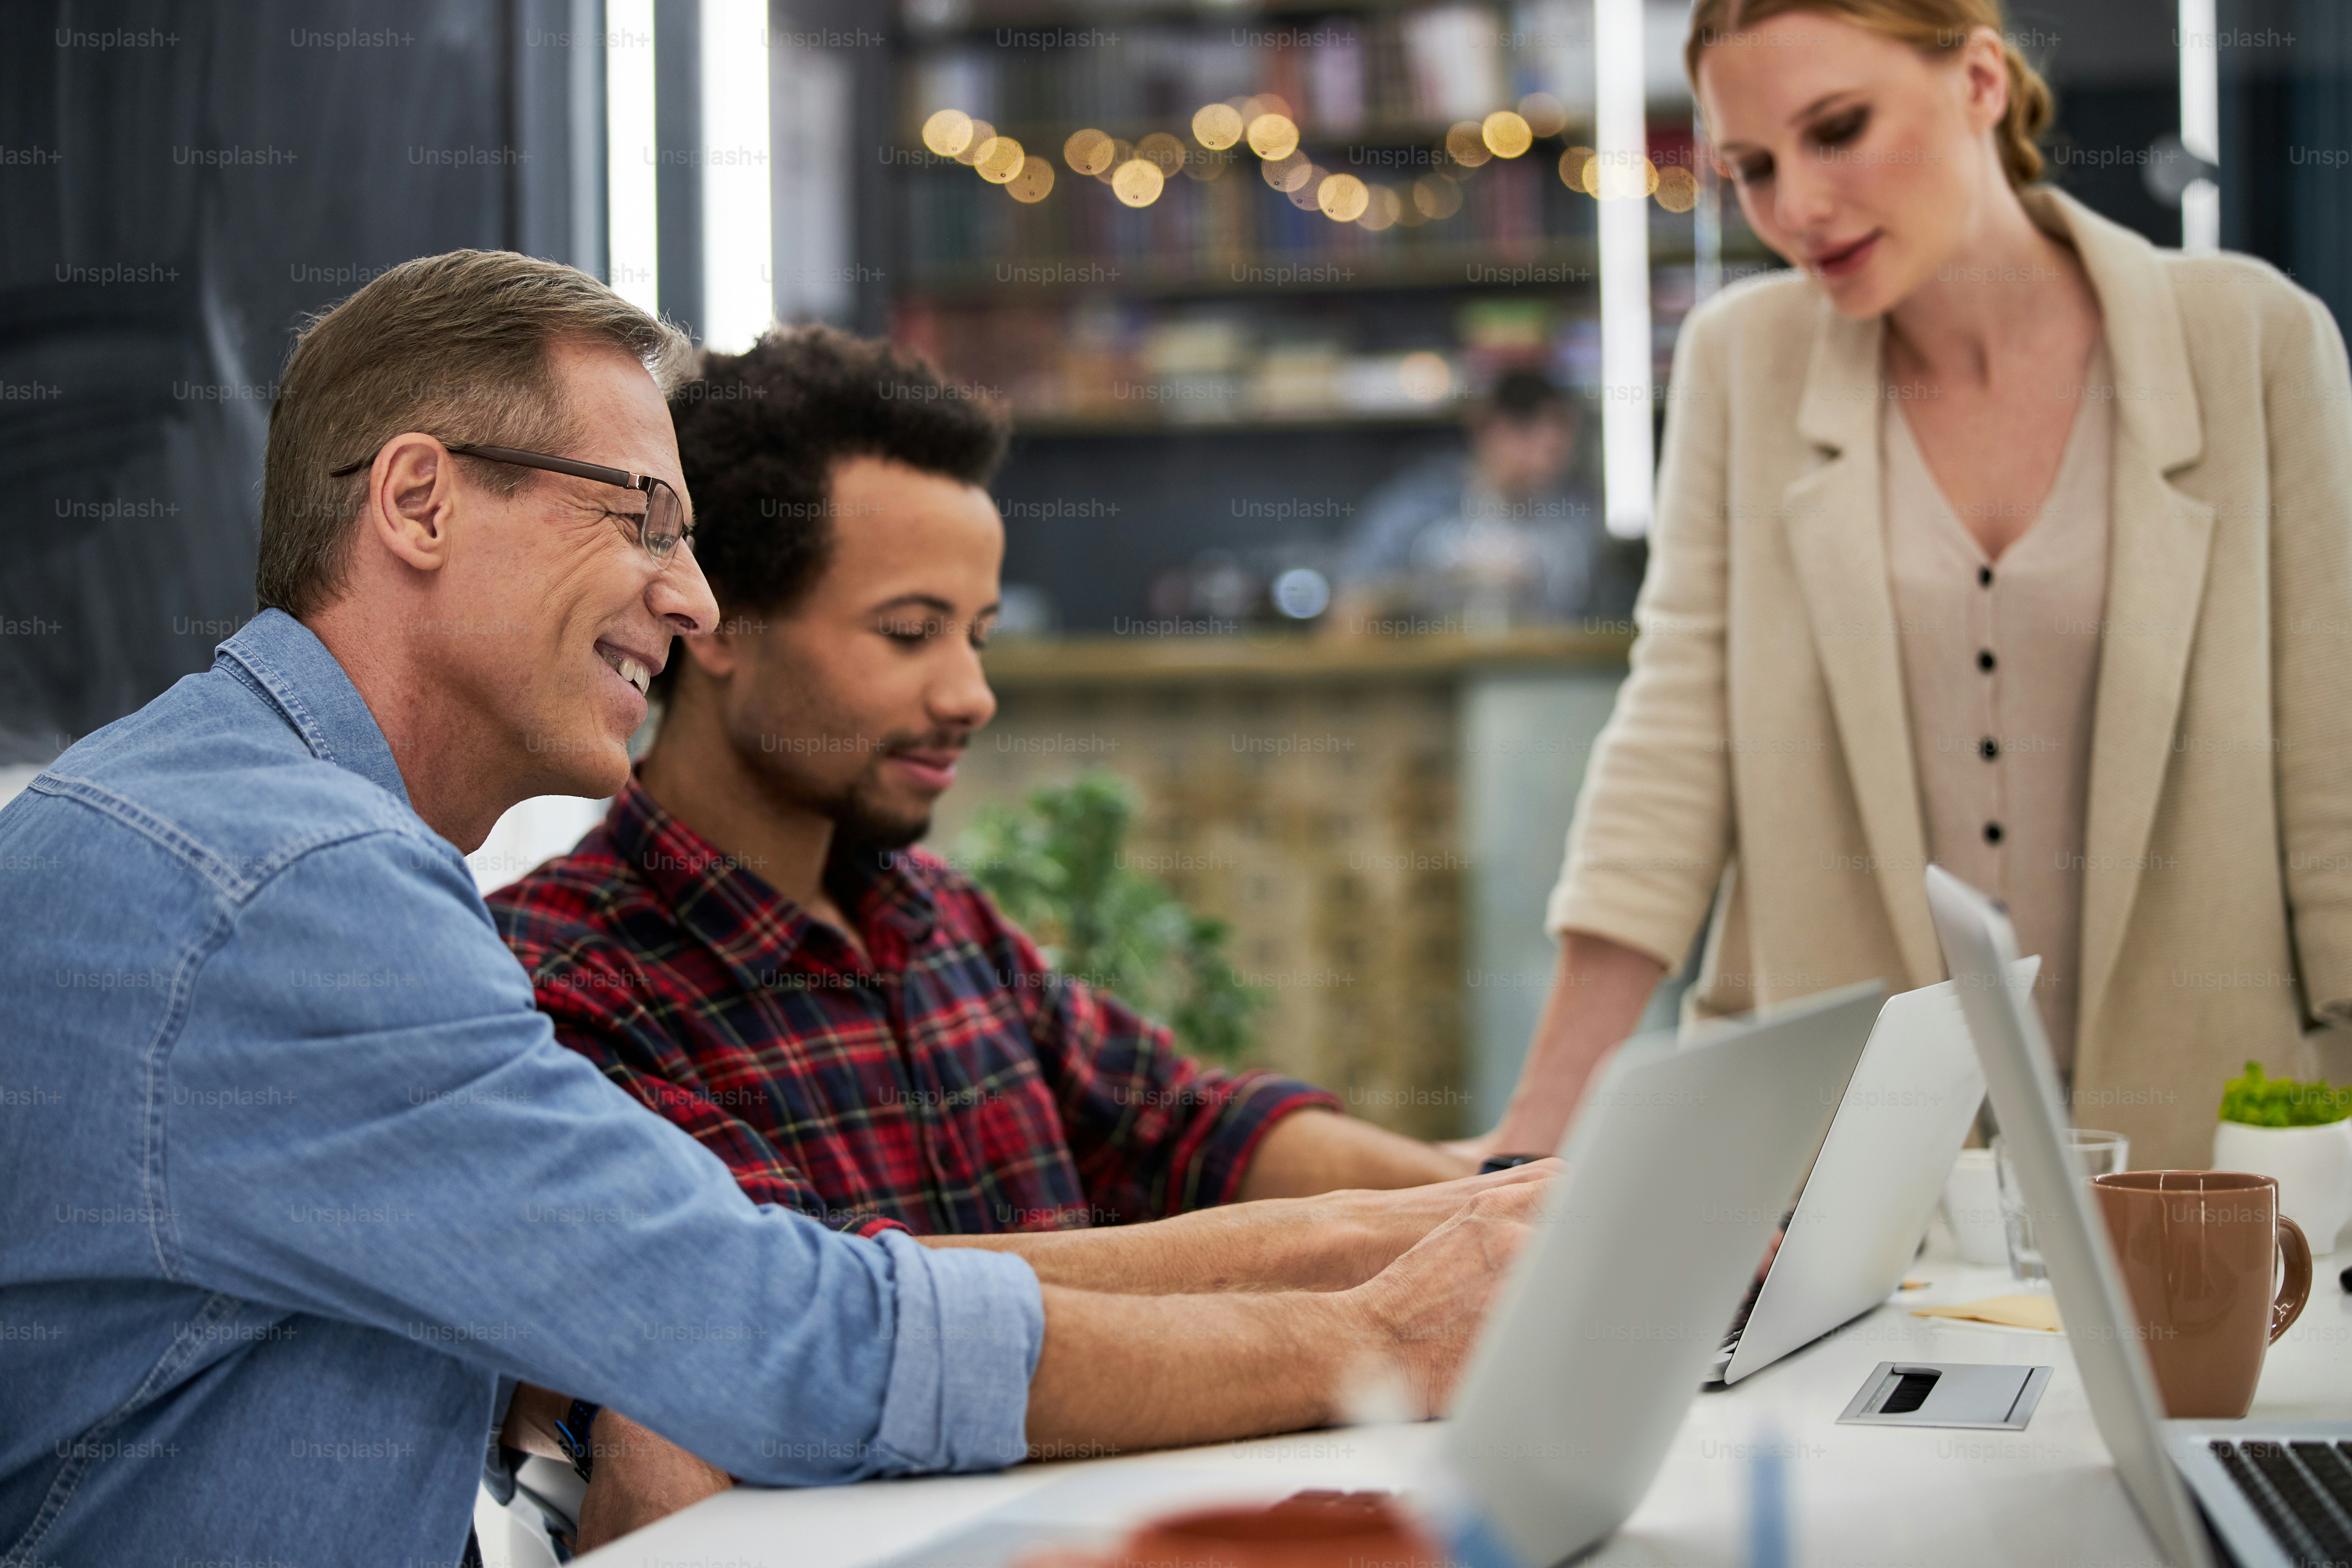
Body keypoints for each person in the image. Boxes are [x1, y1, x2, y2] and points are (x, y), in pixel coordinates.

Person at [0, 251, 1544, 1568]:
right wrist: (1386, 1329)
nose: (689, 598)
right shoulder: (287, 888)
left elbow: (1127, 1148)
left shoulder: (252, 834)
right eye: (640, 519)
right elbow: (764, 1331)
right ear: (417, 500)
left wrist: (1444, 1220)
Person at [484, 325, 1502, 1534]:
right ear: (714, 622)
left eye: (979, 634)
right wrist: (1382, 1262)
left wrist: (1489, 1199)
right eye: (910, 634)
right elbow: (817, 1311)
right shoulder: (556, 987)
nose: (970, 695)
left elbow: (1185, 1127)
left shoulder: (934, 917)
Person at [1470, 0, 2352, 1174]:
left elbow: (2335, 772)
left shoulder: (2251, 342)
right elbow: (1674, 742)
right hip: (1840, 1164)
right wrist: (1531, 1138)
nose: (1798, 209)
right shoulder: (1746, 364)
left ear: (1981, 81)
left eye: (1837, 131)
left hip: (2210, 1157)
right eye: (1754, 169)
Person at [1330, 367, 1616, 633]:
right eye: (1532, 447)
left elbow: (1607, 613)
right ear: (1489, 431)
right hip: (1437, 674)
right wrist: (1432, 587)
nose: (1544, 466)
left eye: (1555, 453)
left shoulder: (1578, 514)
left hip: (1551, 677)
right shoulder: (1416, 504)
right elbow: (1349, 610)